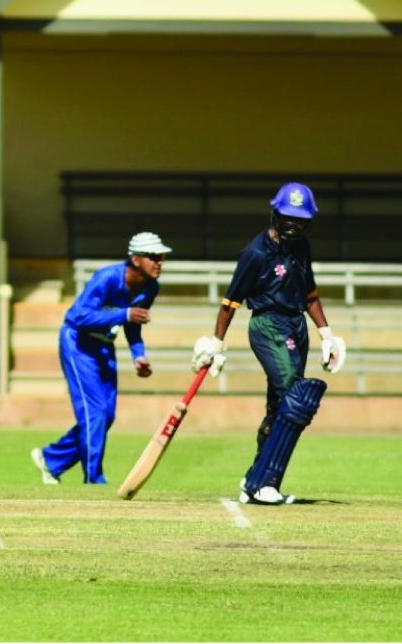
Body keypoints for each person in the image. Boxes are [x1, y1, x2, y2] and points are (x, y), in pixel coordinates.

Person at [191, 182, 346, 505]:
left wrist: (327, 334)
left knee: (281, 405)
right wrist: (217, 342)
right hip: (267, 325)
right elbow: (231, 300)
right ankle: (262, 483)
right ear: (275, 213)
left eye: (300, 219)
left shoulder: (302, 248)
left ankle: (259, 480)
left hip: (296, 325)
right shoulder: (256, 252)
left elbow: (310, 294)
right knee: (295, 395)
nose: (293, 224)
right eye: (287, 217)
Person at [30, 231, 171, 486]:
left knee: (106, 416)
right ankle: (94, 480)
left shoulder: (151, 287)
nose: (159, 262)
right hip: (78, 345)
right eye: (153, 257)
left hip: (105, 346)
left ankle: (51, 460)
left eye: (161, 256)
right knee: (94, 413)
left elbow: (133, 321)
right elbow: (77, 317)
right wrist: (125, 314)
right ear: (136, 260)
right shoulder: (106, 278)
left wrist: (138, 354)